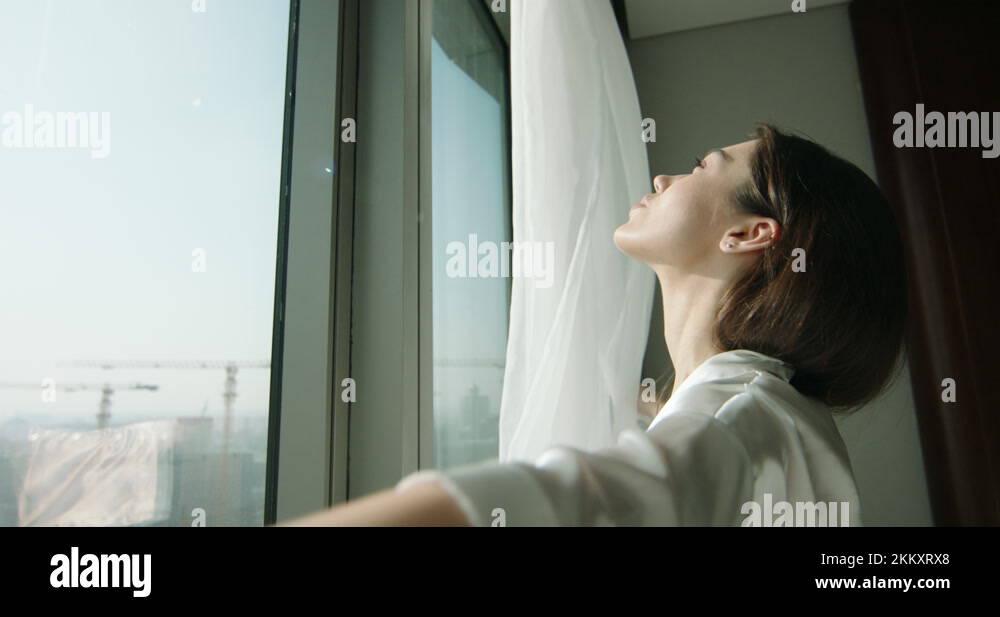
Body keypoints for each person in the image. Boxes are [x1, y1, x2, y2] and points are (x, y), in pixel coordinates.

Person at [280, 123, 908, 527]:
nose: (664, 177)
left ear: (747, 233)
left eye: (700, 166)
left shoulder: (743, 413)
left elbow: (598, 505)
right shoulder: (766, 409)